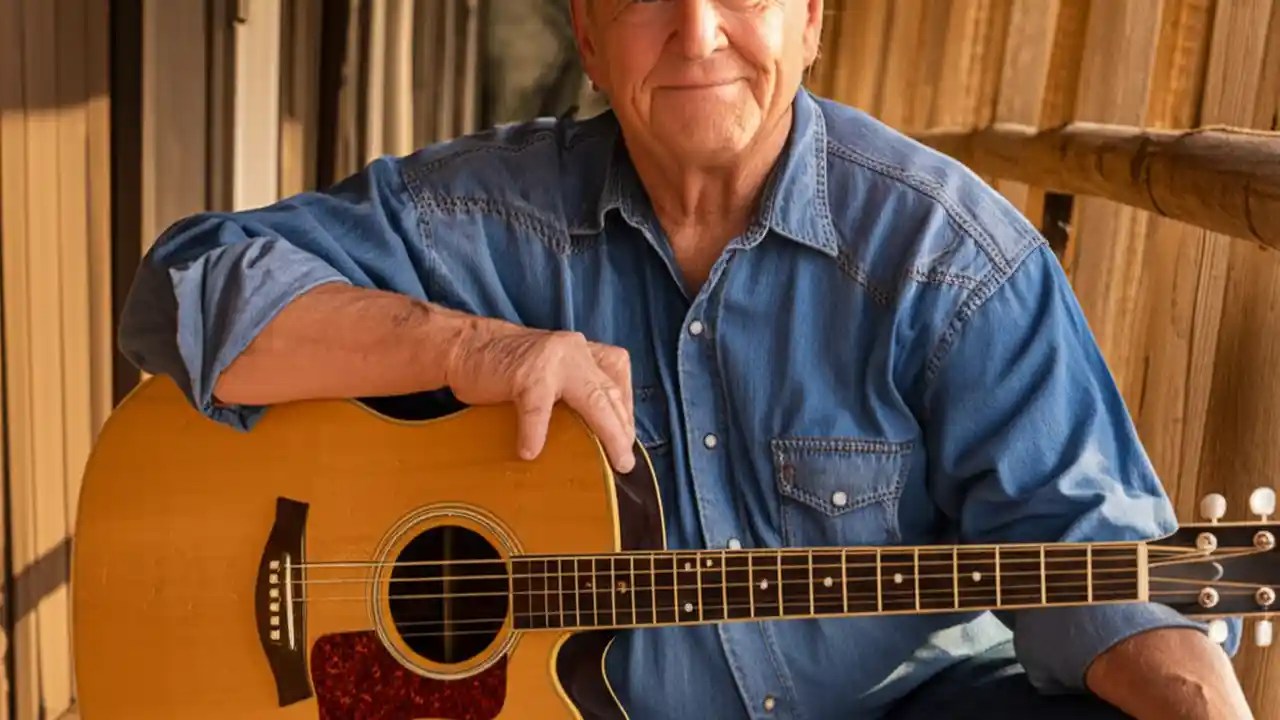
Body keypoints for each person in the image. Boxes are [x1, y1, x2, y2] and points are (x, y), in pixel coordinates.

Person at [118, 1, 1254, 718]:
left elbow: (1092, 561)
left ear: (811, 17)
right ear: (588, 37)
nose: (698, 30)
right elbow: (181, 293)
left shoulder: (950, 264)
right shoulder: (483, 216)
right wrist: (470, 346)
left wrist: (1192, 698)